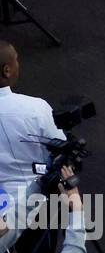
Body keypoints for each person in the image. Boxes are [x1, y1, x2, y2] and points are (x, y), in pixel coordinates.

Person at [0, 41, 65, 190]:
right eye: (16, 59)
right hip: (37, 201)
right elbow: (61, 152)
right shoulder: (36, 108)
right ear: (7, 70)